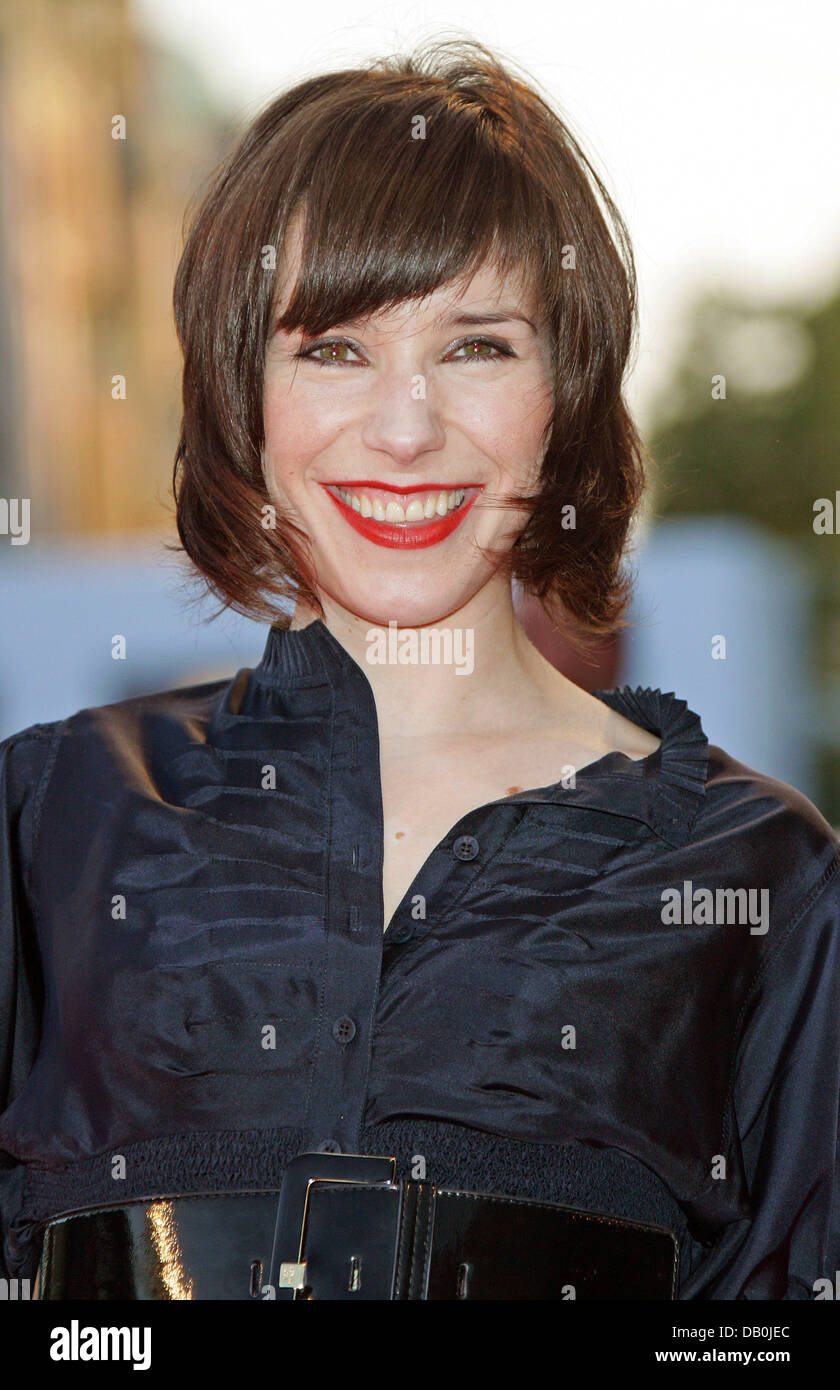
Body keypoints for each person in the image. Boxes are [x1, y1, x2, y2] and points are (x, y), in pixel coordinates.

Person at [1, 37, 838, 1302]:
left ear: (570, 396)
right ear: (246, 393)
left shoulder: (763, 881)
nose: (403, 429)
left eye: (479, 348)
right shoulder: (53, 820)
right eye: (333, 348)